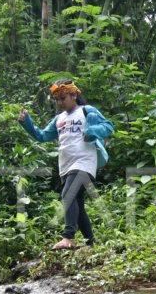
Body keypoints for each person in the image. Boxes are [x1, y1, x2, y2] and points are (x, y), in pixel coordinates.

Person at [17, 79, 114, 250]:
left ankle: (68, 237)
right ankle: (91, 243)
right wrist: (27, 122)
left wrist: (91, 132)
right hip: (66, 166)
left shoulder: (86, 111)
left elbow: (108, 127)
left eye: (63, 98)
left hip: (84, 162)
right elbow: (42, 136)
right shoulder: (59, 119)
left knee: (67, 194)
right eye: (57, 100)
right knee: (78, 205)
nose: (60, 103)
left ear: (74, 95)